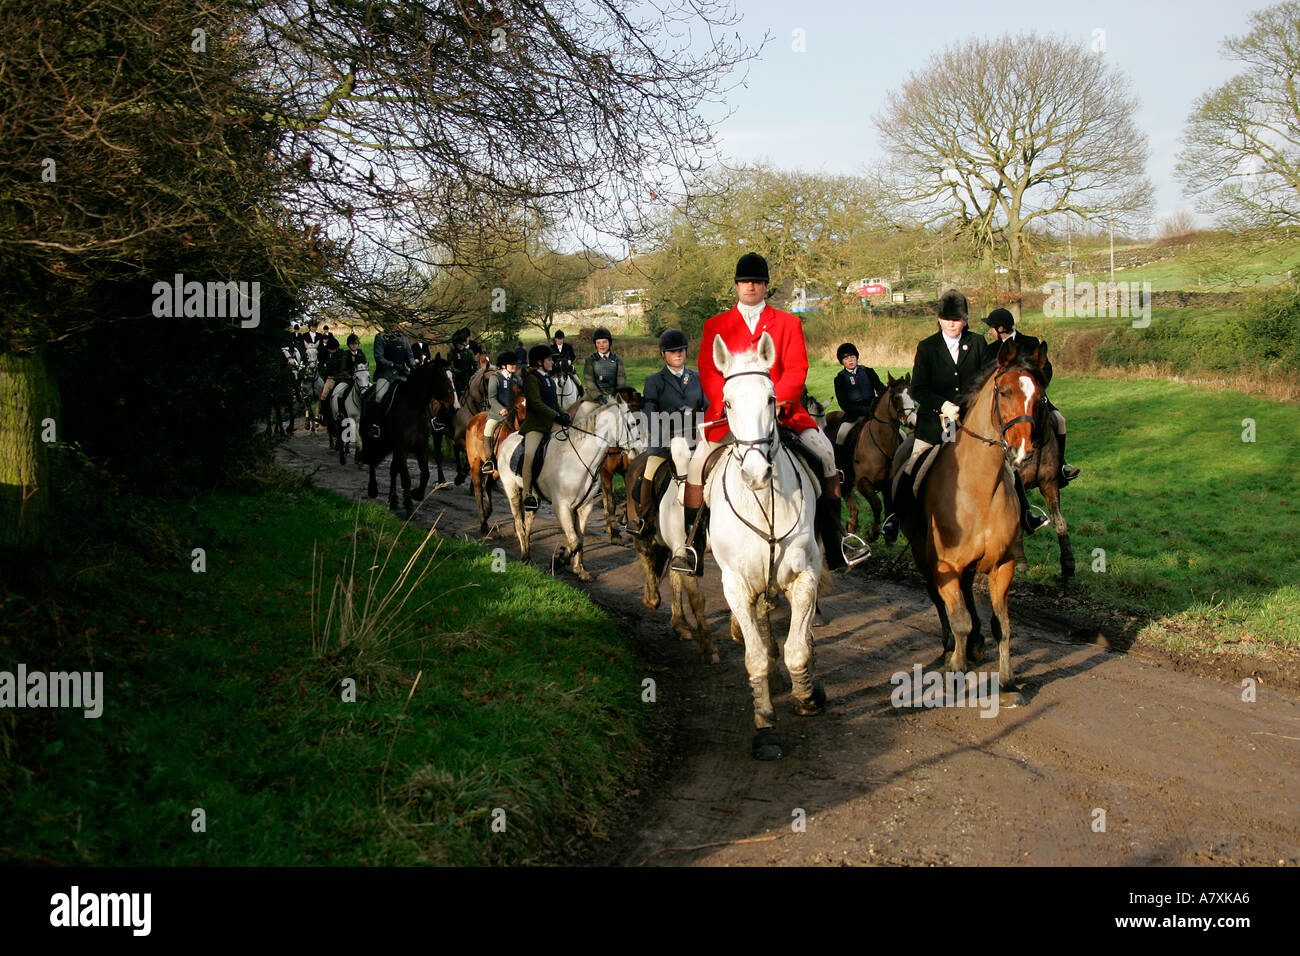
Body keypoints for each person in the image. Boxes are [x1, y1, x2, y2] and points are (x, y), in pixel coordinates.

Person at [670, 253, 870, 575]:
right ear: (737, 286)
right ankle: (692, 547)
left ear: (765, 286)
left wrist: (778, 400)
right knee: (696, 467)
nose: (750, 286)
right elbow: (708, 373)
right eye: (745, 281)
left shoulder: (788, 323)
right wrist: (730, 406)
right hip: (730, 416)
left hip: (784, 412)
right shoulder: (715, 326)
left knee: (826, 455)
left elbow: (796, 369)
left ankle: (836, 543)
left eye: (757, 282)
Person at [881, 292, 1048, 545]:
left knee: (1007, 468)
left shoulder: (978, 343)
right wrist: (943, 405)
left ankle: (1026, 514)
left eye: (957, 320)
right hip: (936, 423)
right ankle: (895, 516)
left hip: (971, 424)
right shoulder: (927, 347)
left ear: (965, 320)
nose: (951, 324)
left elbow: (988, 379)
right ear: (938, 320)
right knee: (914, 464)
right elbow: (919, 388)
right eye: (946, 319)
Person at [982, 308, 1080, 485]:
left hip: (1032, 399)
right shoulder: (990, 350)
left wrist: (1036, 388)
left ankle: (1060, 467)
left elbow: (1047, 369)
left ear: (1001, 328)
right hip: (1006, 403)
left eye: (991, 327)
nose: (989, 331)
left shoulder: (1030, 342)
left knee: (1060, 420)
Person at [626, 328, 708, 537]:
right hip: (665, 438)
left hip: (696, 439)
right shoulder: (654, 380)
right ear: (664, 354)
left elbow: (708, 408)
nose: (678, 354)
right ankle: (644, 516)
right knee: (649, 470)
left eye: (681, 350)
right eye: (673, 351)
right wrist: (664, 438)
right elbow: (650, 412)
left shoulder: (698, 377)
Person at [519, 344, 571, 512]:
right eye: (549, 359)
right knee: (530, 455)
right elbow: (536, 403)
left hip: (552, 423)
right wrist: (555, 416)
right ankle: (528, 494)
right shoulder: (532, 379)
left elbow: (554, 403)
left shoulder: (549, 379)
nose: (552, 362)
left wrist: (565, 415)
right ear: (540, 362)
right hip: (536, 425)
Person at [832, 342, 887, 443]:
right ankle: (839, 458)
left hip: (873, 412)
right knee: (841, 435)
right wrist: (862, 410)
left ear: (857, 357)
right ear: (842, 362)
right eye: (846, 358)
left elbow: (881, 389)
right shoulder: (839, 379)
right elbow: (843, 403)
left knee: (900, 433)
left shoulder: (868, 371)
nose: (850, 360)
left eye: (852, 357)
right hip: (853, 415)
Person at [367, 324, 416, 436]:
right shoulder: (380, 337)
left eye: (395, 323)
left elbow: (409, 355)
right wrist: (392, 364)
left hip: (402, 372)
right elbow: (379, 357)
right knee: (379, 395)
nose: (393, 326)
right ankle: (376, 425)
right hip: (386, 373)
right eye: (391, 323)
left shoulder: (403, 338)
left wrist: (413, 366)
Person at [481, 352, 521, 475]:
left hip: (513, 414)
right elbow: (492, 398)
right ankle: (489, 461)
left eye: (515, 364)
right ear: (503, 366)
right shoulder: (495, 378)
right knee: (488, 430)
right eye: (512, 364)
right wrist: (501, 409)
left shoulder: (517, 379)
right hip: (498, 414)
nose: (514, 366)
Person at [582, 327, 626, 400]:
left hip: (614, 396)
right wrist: (598, 396)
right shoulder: (590, 360)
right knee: (583, 410)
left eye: (604, 342)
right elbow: (589, 381)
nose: (601, 345)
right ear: (595, 344)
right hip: (594, 398)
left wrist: (616, 394)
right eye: (598, 343)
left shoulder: (618, 359)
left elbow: (621, 379)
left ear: (609, 343)